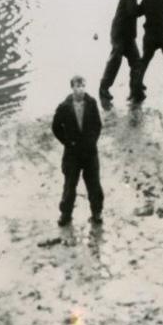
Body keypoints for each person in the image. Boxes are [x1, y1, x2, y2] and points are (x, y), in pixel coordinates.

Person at [52, 75, 104, 226]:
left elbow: (97, 125)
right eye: (77, 86)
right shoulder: (64, 107)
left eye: (83, 86)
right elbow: (56, 127)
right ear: (72, 88)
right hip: (72, 154)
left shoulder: (92, 103)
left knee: (94, 184)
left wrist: (92, 141)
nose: (80, 89)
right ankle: (65, 214)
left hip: (90, 153)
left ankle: (97, 212)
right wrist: (67, 142)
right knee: (69, 185)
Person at [99, 0, 148, 107]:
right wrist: (145, 6)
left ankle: (135, 92)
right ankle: (103, 88)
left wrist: (143, 6)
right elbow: (133, 12)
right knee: (115, 61)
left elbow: (132, 12)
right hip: (120, 34)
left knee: (136, 62)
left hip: (127, 34)